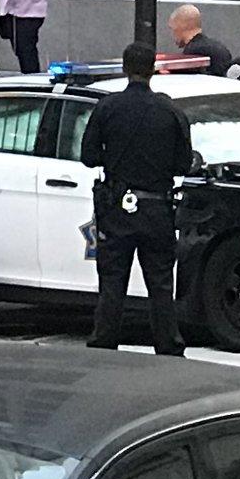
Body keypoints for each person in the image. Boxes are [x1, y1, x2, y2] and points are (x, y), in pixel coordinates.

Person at [82, 41, 192, 357]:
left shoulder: (107, 108)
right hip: (158, 207)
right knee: (160, 283)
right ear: (153, 69)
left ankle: (104, 340)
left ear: (124, 69)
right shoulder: (171, 111)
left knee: (113, 280)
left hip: (117, 207)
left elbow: (88, 156)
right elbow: (183, 163)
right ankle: (168, 343)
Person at [169, 3, 233, 75]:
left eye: (172, 29)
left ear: (181, 26)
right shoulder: (220, 48)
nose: (172, 34)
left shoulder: (192, 53)